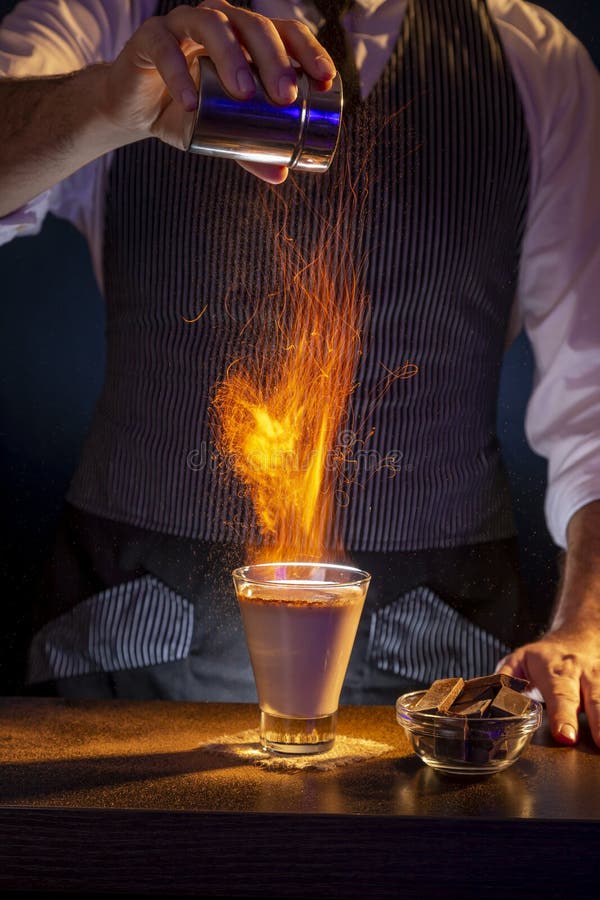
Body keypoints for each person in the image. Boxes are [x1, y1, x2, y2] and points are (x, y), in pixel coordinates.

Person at [0, 0, 599, 749]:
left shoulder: (532, 58)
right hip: (125, 664)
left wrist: (589, 623)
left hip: (445, 683)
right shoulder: (108, 18)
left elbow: (596, 398)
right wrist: (100, 103)